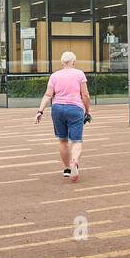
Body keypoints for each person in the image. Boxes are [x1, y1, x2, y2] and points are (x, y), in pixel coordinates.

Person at [35, 51, 92, 182]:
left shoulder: (54, 76)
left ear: (62, 62)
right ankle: (74, 161)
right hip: (75, 109)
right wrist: (87, 110)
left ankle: (67, 168)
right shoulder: (79, 74)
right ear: (73, 62)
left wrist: (40, 111)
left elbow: (48, 95)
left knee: (62, 140)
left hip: (57, 109)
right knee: (76, 141)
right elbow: (85, 95)